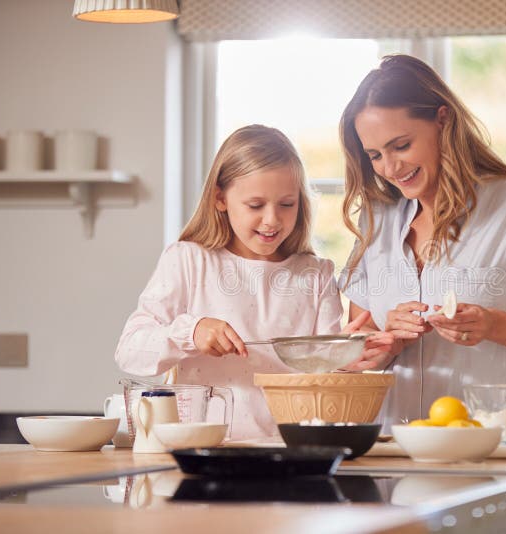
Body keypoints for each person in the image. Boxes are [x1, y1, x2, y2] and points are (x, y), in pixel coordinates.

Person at [338, 54, 506, 427]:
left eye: (402, 145)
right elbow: (356, 349)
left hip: (490, 449)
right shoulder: (377, 219)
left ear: (442, 120)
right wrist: (384, 340)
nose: (390, 168)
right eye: (375, 155)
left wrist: (491, 324)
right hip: (391, 451)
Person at [115, 125, 379, 439]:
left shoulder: (315, 273)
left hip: (289, 454)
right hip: (203, 450)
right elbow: (130, 350)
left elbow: (326, 379)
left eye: (286, 204)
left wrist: (349, 355)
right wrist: (192, 331)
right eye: (255, 205)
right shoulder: (188, 261)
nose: (272, 219)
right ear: (220, 198)